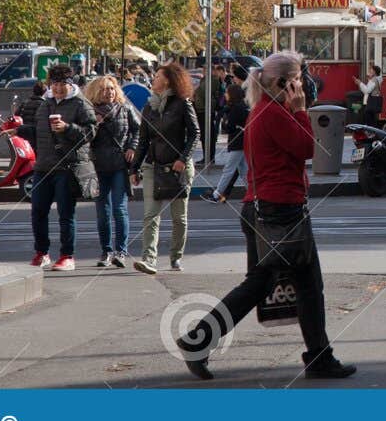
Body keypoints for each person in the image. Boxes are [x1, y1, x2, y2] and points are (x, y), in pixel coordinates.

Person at [176, 51, 356, 380]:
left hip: (266, 206)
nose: (303, 85)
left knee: (303, 284)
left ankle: (319, 355)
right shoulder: (273, 114)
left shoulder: (265, 110)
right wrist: (301, 112)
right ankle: (198, 340)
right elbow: (306, 149)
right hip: (280, 210)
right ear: (283, 83)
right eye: (299, 79)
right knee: (276, 284)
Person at [131, 60, 199, 275]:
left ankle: (175, 256)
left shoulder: (181, 103)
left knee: (179, 217)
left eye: (158, 76)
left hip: (178, 167)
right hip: (153, 166)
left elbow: (194, 133)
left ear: (168, 80)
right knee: (151, 214)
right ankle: (148, 258)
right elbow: (142, 141)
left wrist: (183, 158)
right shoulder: (149, 107)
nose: (154, 79)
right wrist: (135, 168)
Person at [29, 64, 97, 271]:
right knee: (37, 211)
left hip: (67, 166)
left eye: (62, 84)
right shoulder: (46, 103)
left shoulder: (80, 103)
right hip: (43, 166)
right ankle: (42, 252)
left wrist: (68, 128)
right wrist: (19, 131)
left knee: (66, 214)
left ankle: (67, 256)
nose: (58, 88)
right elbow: (38, 131)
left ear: (71, 84)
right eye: (54, 84)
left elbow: (91, 132)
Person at [86, 75, 140, 268]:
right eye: (103, 89)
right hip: (98, 166)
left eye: (111, 88)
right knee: (103, 211)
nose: (108, 92)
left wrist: (132, 147)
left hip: (119, 165)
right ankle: (106, 251)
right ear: (95, 92)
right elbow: (81, 139)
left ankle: (121, 251)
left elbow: (138, 130)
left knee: (119, 208)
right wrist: (94, 125)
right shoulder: (89, 112)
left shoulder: (125, 108)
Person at [210, 82, 251, 203]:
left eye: (227, 93)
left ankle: (216, 195)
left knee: (229, 169)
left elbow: (229, 126)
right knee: (244, 171)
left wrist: (226, 120)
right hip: (242, 141)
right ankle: (253, 195)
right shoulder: (242, 106)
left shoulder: (235, 108)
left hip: (237, 142)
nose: (225, 95)